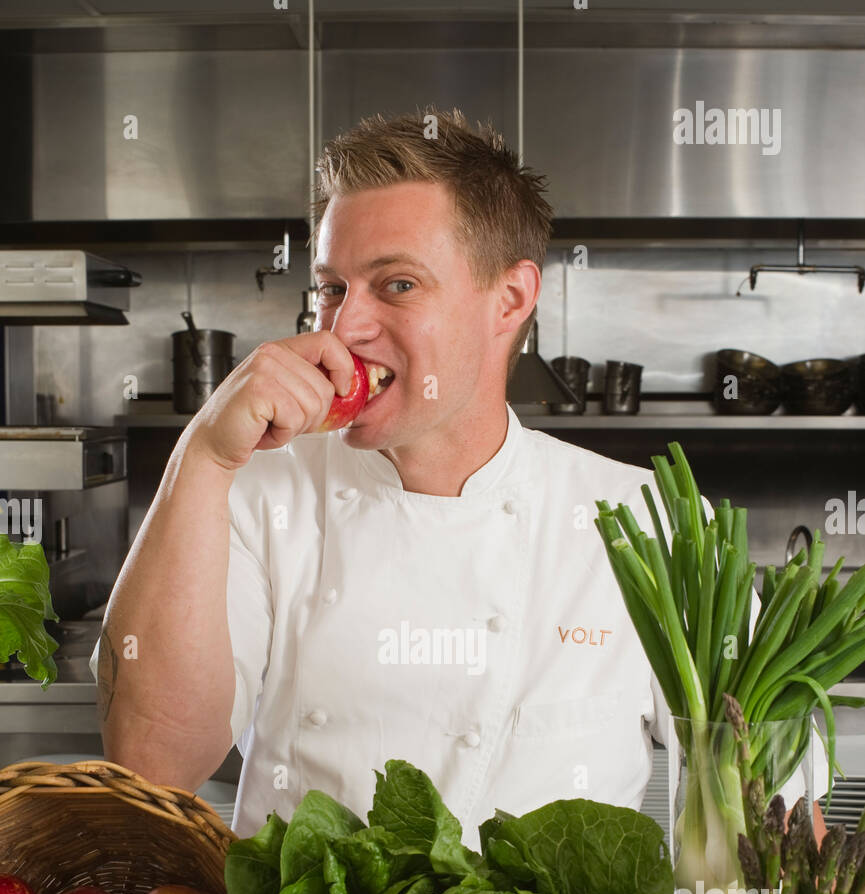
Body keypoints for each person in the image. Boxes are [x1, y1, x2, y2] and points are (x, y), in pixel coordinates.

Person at [90, 108, 824, 849]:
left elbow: (779, 830)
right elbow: (150, 768)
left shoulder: (642, 523)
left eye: (397, 284)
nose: (346, 328)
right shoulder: (255, 491)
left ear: (509, 300)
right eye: (332, 288)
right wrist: (202, 454)